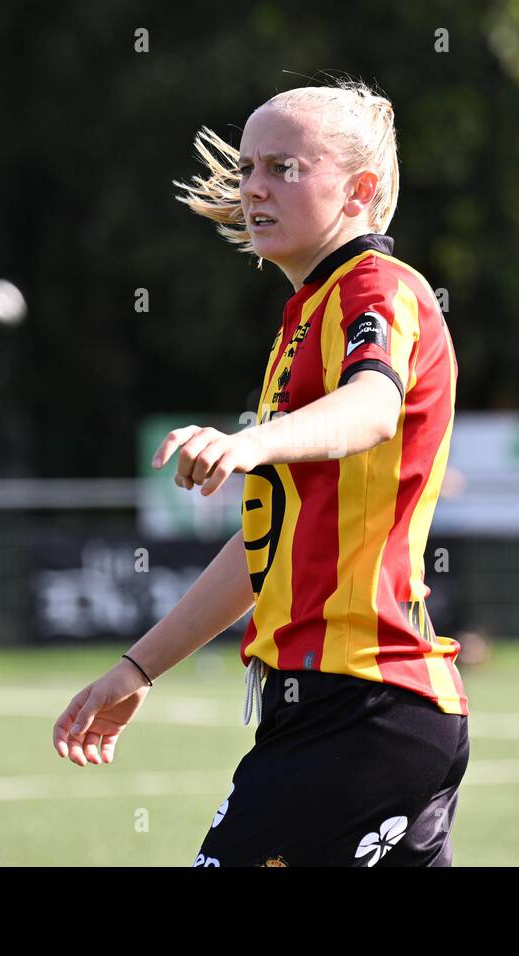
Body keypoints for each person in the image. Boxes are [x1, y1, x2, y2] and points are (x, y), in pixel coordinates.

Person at [51, 80, 469, 866]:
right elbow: (263, 553)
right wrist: (139, 667)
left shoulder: (377, 289)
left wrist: (255, 441)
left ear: (361, 190)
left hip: (363, 710)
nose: (251, 188)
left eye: (282, 167)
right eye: (247, 169)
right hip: (348, 712)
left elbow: (372, 407)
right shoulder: (305, 320)